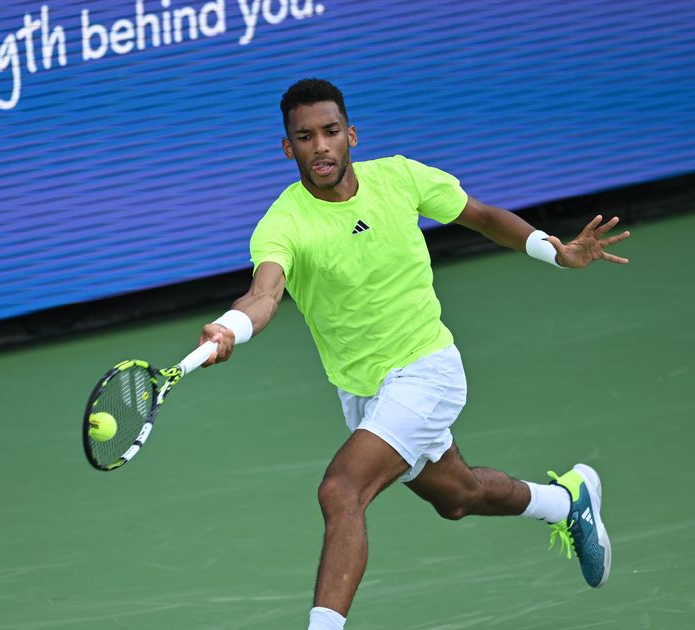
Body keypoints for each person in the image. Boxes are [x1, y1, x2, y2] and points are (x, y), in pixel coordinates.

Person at [196, 78, 630, 630]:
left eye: (330, 132)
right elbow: (265, 293)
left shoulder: (399, 177)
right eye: (305, 137)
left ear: (350, 134)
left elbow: (485, 218)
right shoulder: (283, 224)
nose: (321, 146)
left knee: (341, 490)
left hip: (427, 368)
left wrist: (558, 253)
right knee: (457, 496)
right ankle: (567, 502)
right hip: (363, 389)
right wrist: (232, 326)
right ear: (289, 148)